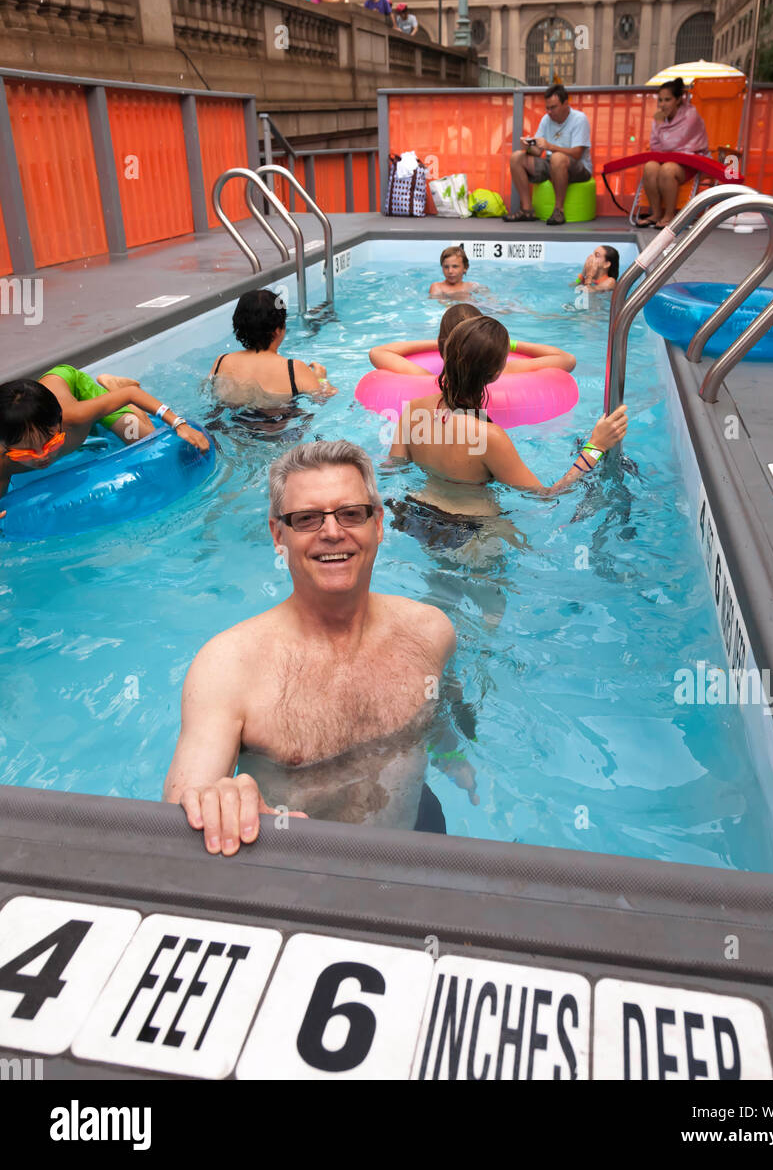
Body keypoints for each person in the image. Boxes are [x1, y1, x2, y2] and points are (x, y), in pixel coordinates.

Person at [164, 440, 457, 850]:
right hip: (302, 880)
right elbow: (180, 806)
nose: (333, 533)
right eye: (307, 519)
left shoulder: (431, 631)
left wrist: (455, 759)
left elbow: (447, 707)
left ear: (377, 524)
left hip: (415, 835)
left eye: (351, 514)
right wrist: (216, 800)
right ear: (277, 534)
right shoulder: (228, 667)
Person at [389, 315, 627, 500]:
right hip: (469, 536)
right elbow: (547, 496)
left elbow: (394, 468)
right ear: (495, 374)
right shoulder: (491, 437)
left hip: (417, 518)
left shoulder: (413, 410)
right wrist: (596, 447)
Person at [0, 369, 209, 508]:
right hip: (35, 410)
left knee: (145, 440)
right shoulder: (4, 462)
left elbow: (131, 394)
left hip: (72, 385)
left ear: (59, 423)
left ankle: (111, 386)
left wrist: (178, 423)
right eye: (24, 452)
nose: (40, 457)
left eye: (51, 443)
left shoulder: (76, 416)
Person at [208, 289, 335, 416]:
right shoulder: (294, 369)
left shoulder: (221, 361)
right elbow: (323, 399)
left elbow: (208, 394)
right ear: (277, 330)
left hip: (230, 428)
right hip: (277, 432)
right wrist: (321, 379)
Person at [369, 303, 575, 375]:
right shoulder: (506, 371)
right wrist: (507, 343)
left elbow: (378, 352)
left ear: (442, 344)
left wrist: (442, 341)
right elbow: (567, 359)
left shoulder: (425, 378)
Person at [507, 84, 592, 227]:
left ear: (566, 103)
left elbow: (577, 153)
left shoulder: (579, 119)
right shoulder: (546, 120)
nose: (549, 112)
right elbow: (538, 152)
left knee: (557, 157)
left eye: (553, 107)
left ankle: (559, 210)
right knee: (516, 157)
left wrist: (550, 146)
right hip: (551, 163)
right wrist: (528, 147)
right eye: (547, 108)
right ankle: (527, 210)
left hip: (579, 168)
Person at [642, 77, 710, 228]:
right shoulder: (661, 117)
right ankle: (656, 214)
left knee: (668, 169)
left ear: (678, 100)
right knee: (650, 167)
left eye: (667, 100)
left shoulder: (690, 116)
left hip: (690, 161)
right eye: (660, 100)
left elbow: (670, 143)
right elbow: (655, 145)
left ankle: (669, 215)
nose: (662, 104)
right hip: (668, 159)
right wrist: (660, 127)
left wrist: (660, 125)